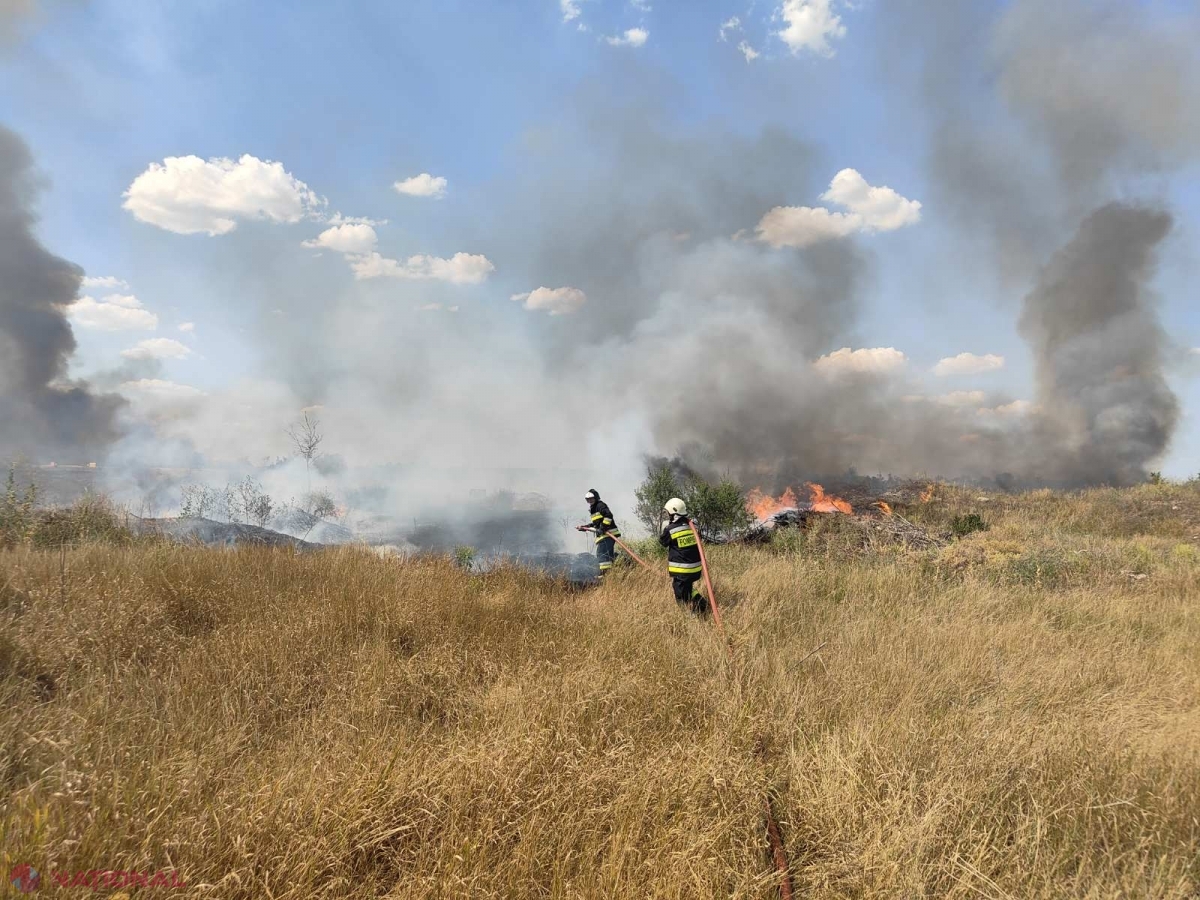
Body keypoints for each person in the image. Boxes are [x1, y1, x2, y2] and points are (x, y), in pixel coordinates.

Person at [659, 497, 708, 615]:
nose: (667, 516)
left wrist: (664, 528)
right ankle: (701, 603)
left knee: (680, 593)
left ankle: (688, 615)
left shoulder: (670, 529)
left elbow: (663, 543)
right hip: (695, 569)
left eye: (668, 513)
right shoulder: (692, 526)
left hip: (682, 570)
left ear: (674, 514)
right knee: (688, 588)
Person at [577, 488, 621, 576]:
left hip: (608, 534)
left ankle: (604, 575)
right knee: (606, 554)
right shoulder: (594, 508)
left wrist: (603, 527)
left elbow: (608, 516)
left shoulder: (600, 505)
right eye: (588, 500)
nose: (589, 501)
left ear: (596, 498)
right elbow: (596, 524)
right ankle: (610, 574)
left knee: (602, 554)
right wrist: (585, 527)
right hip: (604, 535)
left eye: (591, 499)